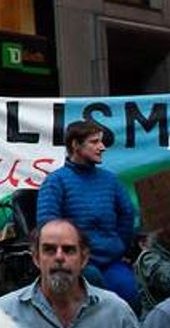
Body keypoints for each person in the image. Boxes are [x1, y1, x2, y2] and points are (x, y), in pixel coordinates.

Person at [35, 120, 140, 306]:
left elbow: (126, 215)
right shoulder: (55, 182)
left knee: (130, 293)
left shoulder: (110, 180)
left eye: (101, 141)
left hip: (111, 262)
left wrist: (117, 247)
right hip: (74, 264)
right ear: (75, 145)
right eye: (94, 142)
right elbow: (48, 225)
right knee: (96, 295)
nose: (102, 147)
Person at [0, 219, 139, 328]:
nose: (59, 257)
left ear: (84, 258)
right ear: (36, 258)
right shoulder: (2, 314)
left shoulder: (117, 313)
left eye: (68, 250)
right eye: (49, 250)